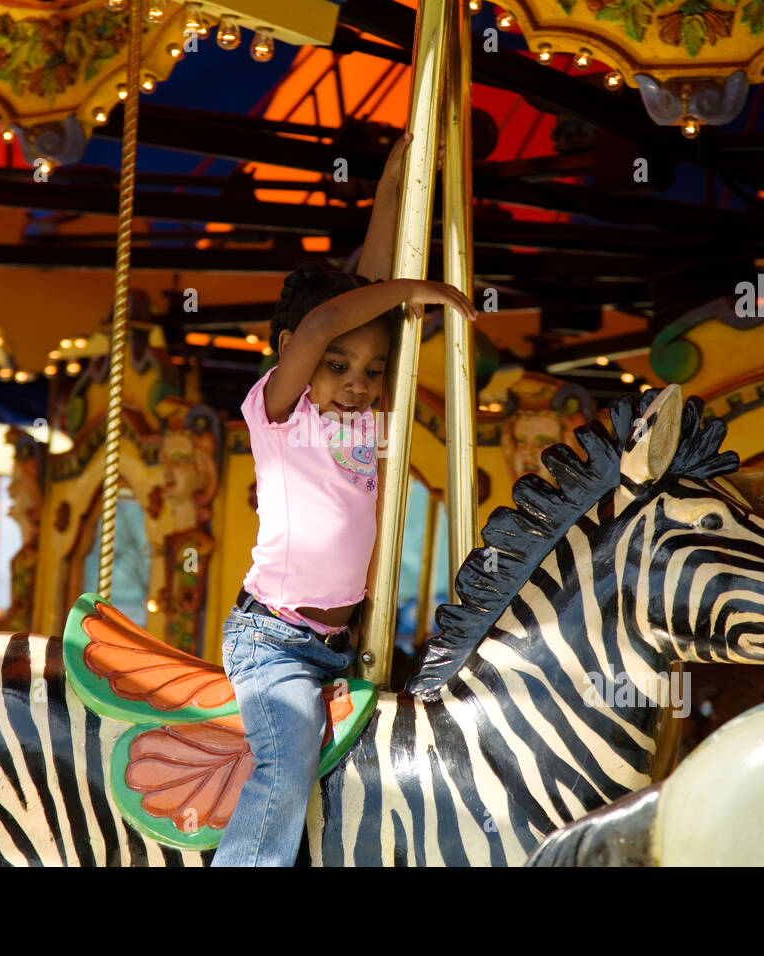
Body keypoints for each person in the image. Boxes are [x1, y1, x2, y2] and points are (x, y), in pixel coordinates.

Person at [213, 133, 476, 867]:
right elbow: (335, 316)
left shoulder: (361, 415)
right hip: (276, 645)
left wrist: (398, 180)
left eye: (373, 369)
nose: (358, 381)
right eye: (338, 366)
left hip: (347, 641)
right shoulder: (280, 408)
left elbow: (363, 287)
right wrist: (416, 291)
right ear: (292, 349)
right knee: (286, 764)